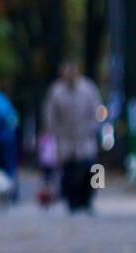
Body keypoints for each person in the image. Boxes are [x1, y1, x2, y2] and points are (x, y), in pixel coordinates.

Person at [43, 60, 103, 212]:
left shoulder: (88, 89)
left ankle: (89, 199)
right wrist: (55, 133)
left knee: (94, 168)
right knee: (69, 172)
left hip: (86, 136)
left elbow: (97, 110)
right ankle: (72, 202)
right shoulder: (56, 91)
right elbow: (51, 115)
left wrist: (94, 128)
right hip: (66, 139)